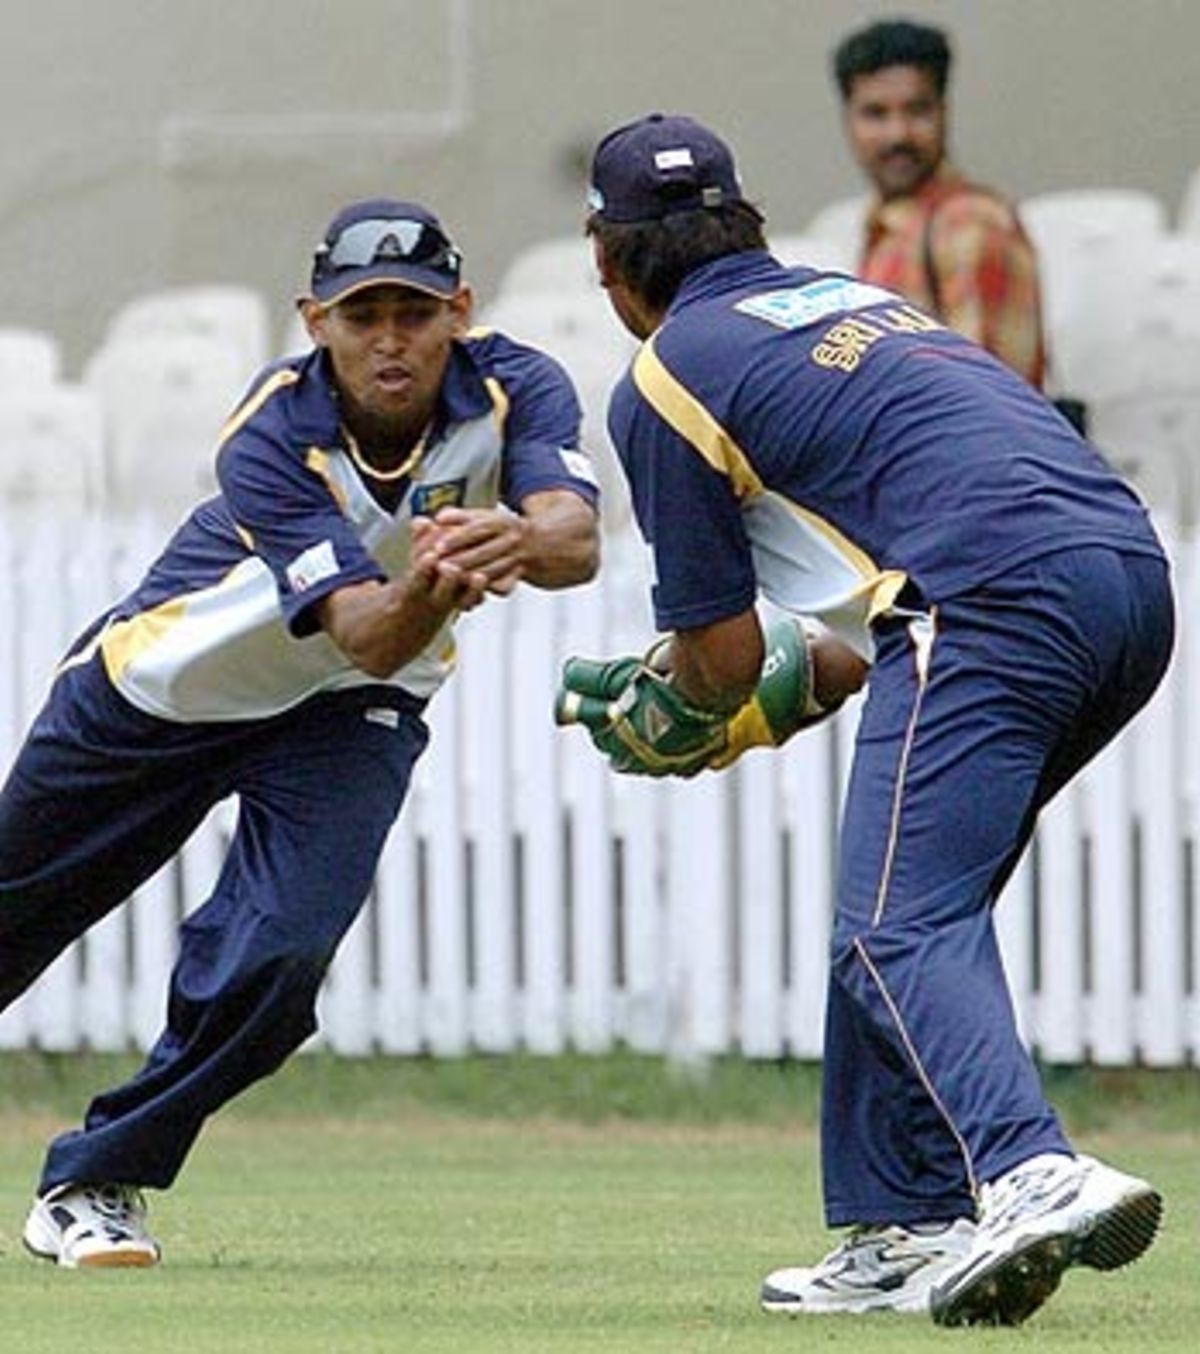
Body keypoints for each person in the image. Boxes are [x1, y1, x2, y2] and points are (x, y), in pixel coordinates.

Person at [562, 112, 1170, 1326]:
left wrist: (672, 712)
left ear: (605, 260)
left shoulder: (665, 376)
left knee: (893, 927)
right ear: (751, 229)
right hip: (1124, 582)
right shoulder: (846, 301)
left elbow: (722, 656)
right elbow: (853, 622)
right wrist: (777, 687)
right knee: (895, 903)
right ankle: (902, 1223)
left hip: (986, 602)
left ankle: (1024, 1166)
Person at [0, 197, 600, 1268]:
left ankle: (94, 1178)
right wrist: (449, 568)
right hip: (164, 692)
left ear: (458, 311)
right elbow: (368, 626)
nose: (388, 339)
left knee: (278, 963)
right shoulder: (273, 431)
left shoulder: (516, 386)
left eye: (413, 312)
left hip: (343, 715)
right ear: (313, 318)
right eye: (360, 312)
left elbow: (573, 537)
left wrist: (510, 530)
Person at [833, 17, 1047, 390]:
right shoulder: (885, 229)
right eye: (876, 114)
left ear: (944, 111)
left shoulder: (969, 224)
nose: (898, 134)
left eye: (917, 110)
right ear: (848, 120)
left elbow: (985, 406)